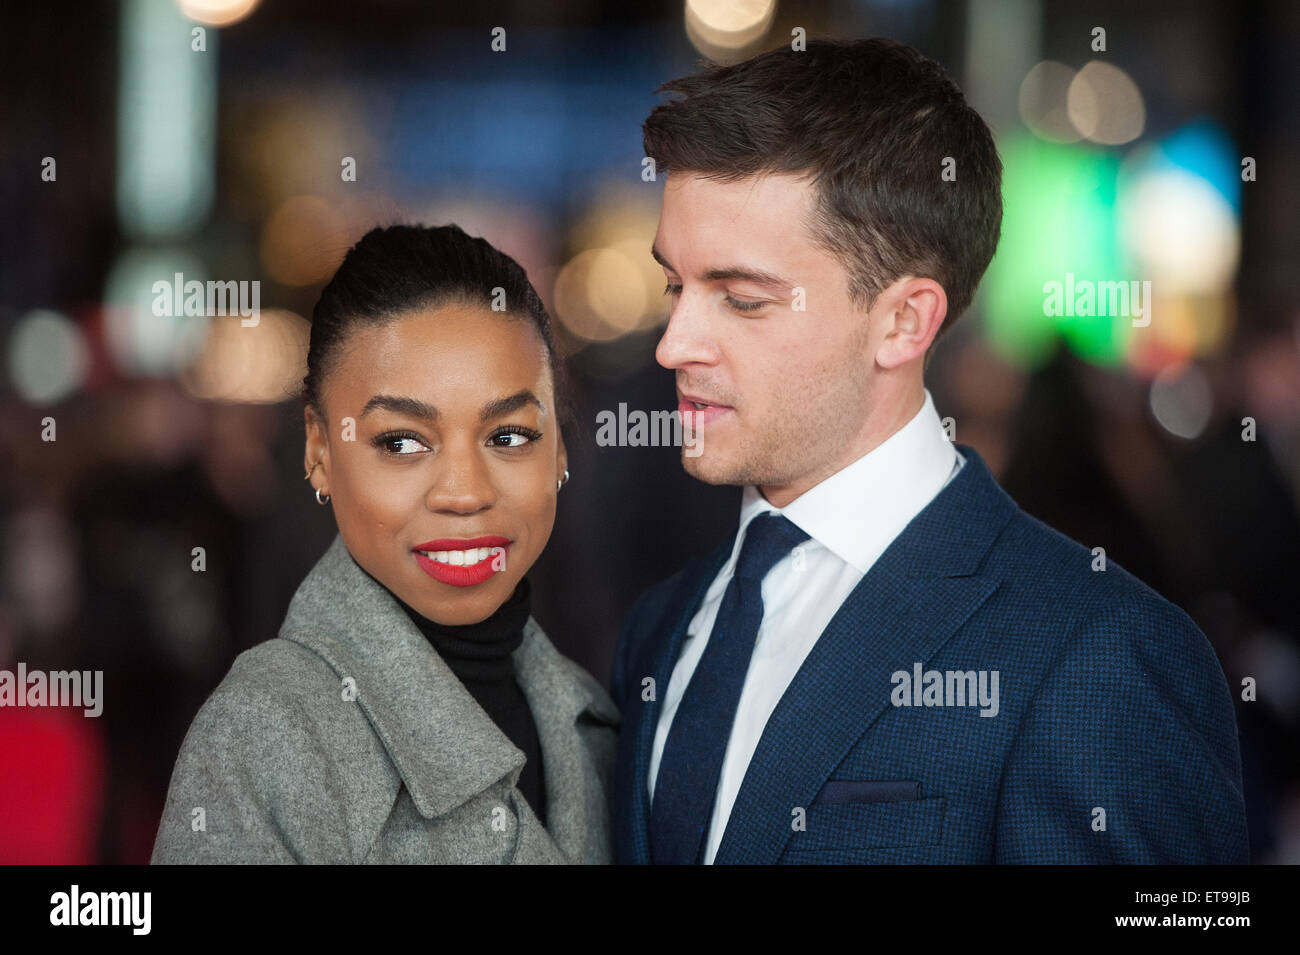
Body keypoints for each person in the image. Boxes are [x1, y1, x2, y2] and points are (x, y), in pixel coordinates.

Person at [611, 37, 1249, 864]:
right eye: (675, 285)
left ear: (905, 321)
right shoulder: (665, 626)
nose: (674, 345)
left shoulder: (1099, 657)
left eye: (741, 299)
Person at [153, 224, 618, 863]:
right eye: (401, 442)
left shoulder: (596, 718)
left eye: (508, 436)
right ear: (319, 450)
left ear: (559, 445)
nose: (463, 492)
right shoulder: (266, 733)